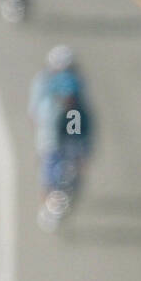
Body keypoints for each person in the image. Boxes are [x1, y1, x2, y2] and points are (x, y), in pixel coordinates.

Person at [28, 46, 94, 206]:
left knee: (50, 160)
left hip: (54, 129)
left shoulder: (43, 80)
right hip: (68, 125)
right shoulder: (75, 81)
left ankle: (48, 195)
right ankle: (57, 194)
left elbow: (34, 112)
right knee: (67, 157)